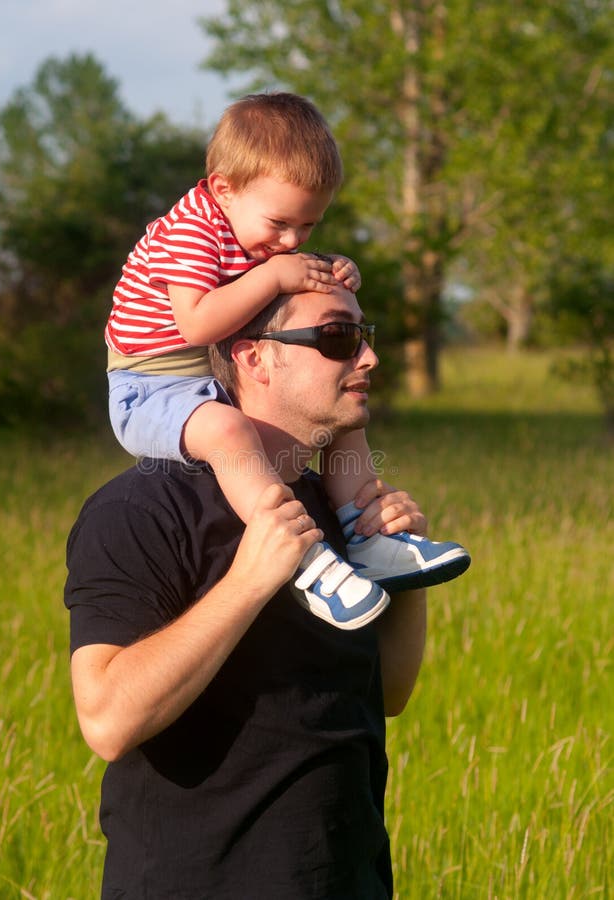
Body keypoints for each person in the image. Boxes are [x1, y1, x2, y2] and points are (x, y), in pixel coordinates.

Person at [65, 280, 437, 898]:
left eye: (365, 337)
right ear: (253, 357)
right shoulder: (141, 509)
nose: (368, 358)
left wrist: (403, 573)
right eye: (338, 338)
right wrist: (248, 583)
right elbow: (107, 720)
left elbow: (389, 693)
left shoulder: (335, 509)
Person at [104, 91, 469, 630]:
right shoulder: (190, 234)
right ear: (222, 189)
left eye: (310, 228)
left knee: (342, 412)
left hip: (207, 376)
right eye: (281, 224)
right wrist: (277, 276)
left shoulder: (257, 235)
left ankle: (367, 537)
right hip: (149, 386)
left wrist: (330, 269)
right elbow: (198, 325)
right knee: (227, 431)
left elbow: (282, 283)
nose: (291, 241)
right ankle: (305, 562)